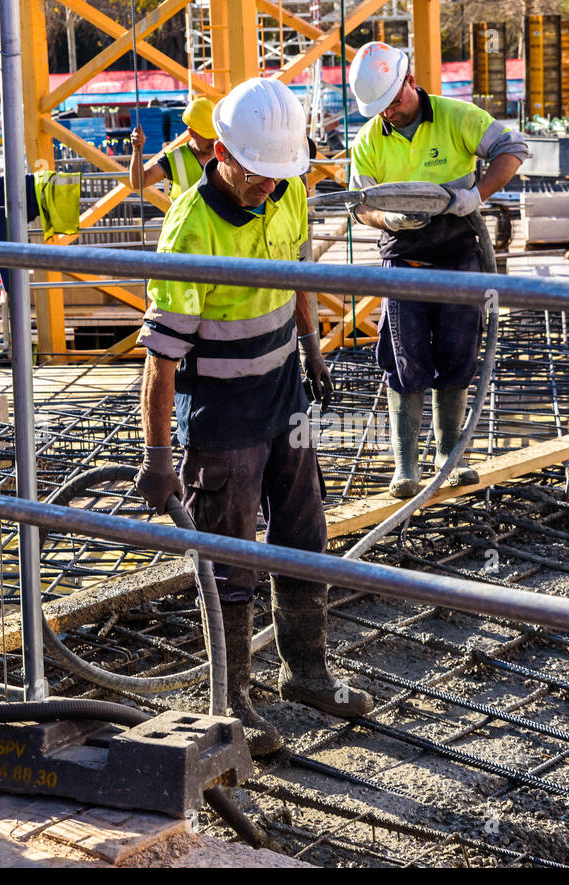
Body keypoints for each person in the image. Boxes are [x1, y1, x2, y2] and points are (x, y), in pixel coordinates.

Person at [134, 77, 374, 757]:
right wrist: (157, 459)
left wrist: (311, 347)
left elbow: (297, 272)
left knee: (303, 531)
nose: (270, 187)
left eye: (280, 174)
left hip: (283, 393)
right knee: (232, 556)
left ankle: (308, 672)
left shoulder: (288, 185)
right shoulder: (190, 227)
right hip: (223, 415)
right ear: (219, 153)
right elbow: (160, 360)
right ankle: (233, 699)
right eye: (259, 174)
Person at [346, 41, 529, 499]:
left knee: (458, 353)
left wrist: (477, 194)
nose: (389, 111)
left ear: (410, 80)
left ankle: (451, 455)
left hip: (458, 254)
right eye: (381, 107)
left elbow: (513, 148)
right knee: (406, 359)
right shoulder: (368, 140)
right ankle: (405, 467)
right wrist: (386, 218)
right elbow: (359, 206)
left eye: (394, 99)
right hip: (403, 259)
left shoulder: (456, 116)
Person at [128, 97, 217, 202]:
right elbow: (138, 183)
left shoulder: (226, 155)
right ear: (191, 132)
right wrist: (137, 150)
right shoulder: (176, 159)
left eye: (215, 135)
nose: (212, 141)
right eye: (207, 136)